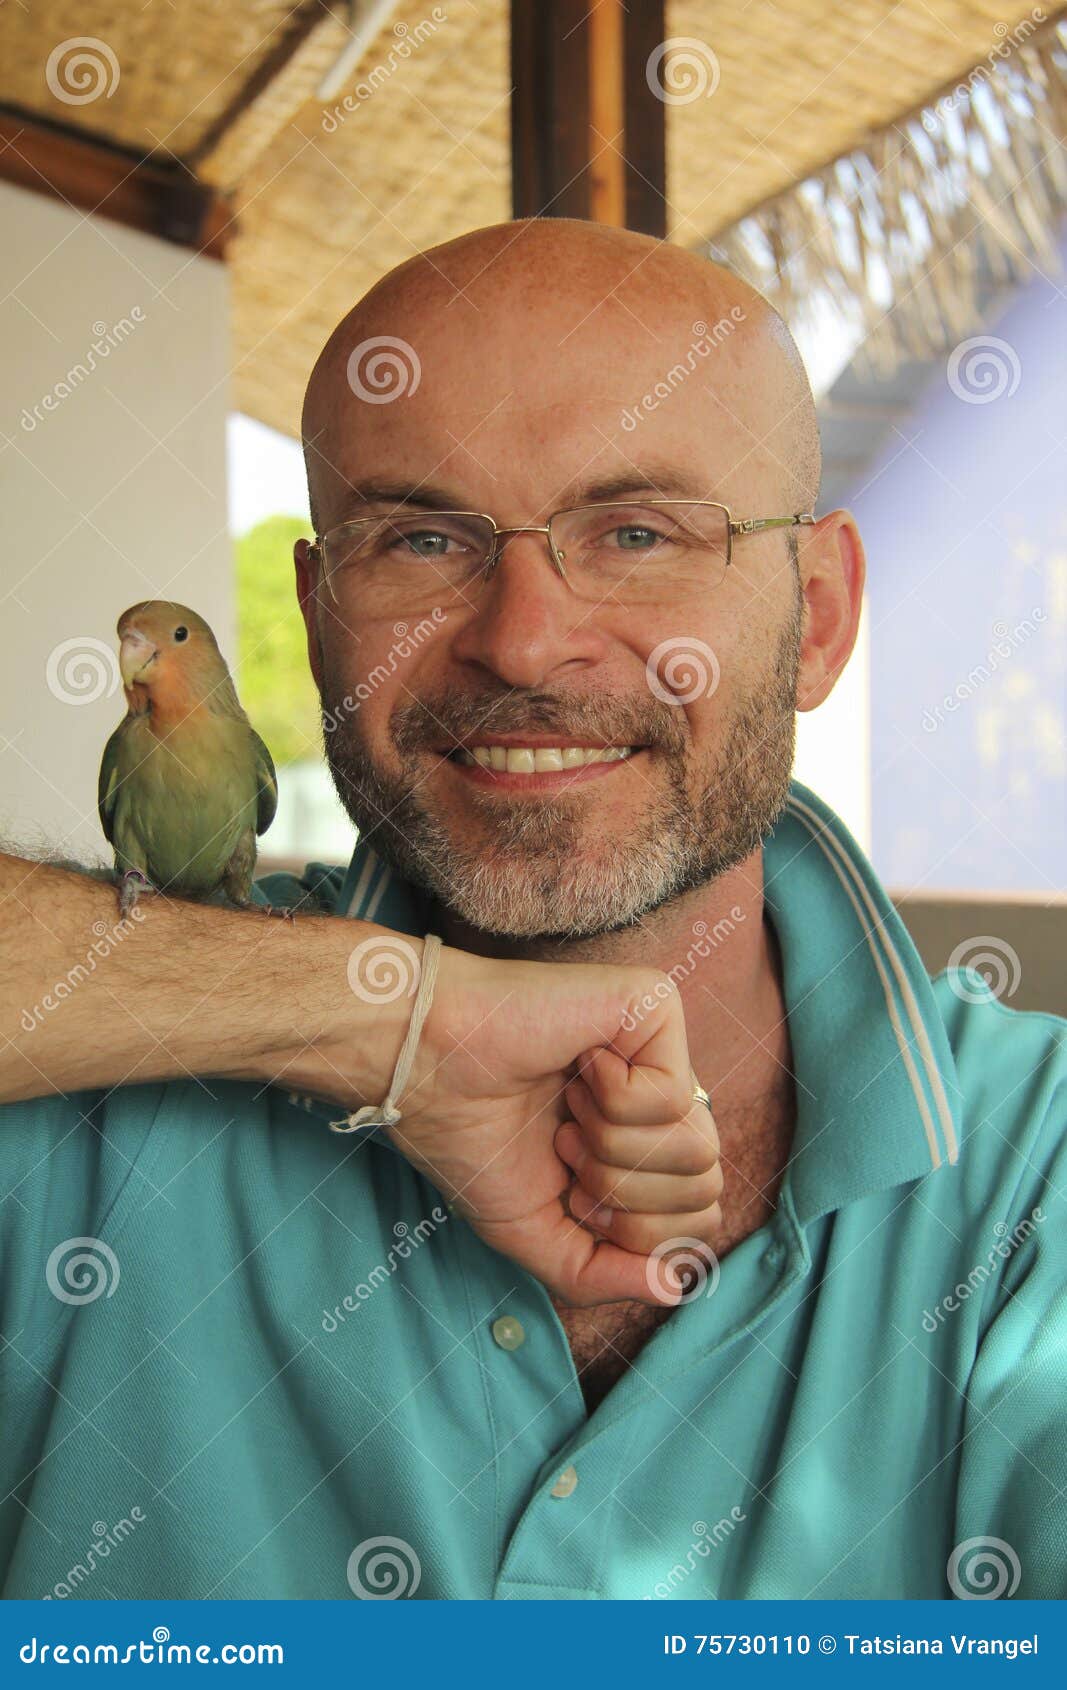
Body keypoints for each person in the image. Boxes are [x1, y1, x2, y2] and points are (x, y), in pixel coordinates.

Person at [1, 218, 1063, 1602]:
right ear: (321, 617)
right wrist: (378, 1022)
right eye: (422, 537)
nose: (519, 636)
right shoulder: (84, 1102)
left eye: (635, 531)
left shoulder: (1039, 1168)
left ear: (815, 616)